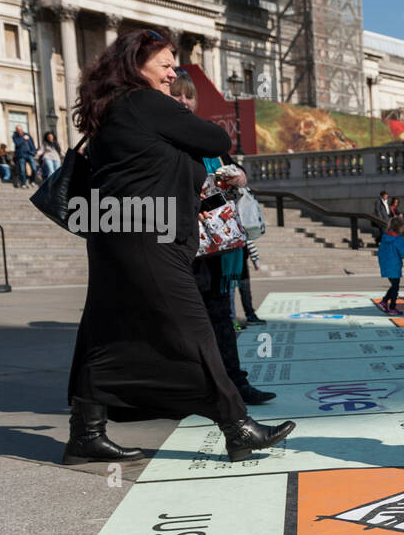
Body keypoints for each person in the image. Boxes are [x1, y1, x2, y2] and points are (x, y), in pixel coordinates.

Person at [64, 27, 294, 465]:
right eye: (166, 64)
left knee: (104, 328)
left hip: (114, 232)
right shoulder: (145, 101)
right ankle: (237, 426)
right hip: (149, 235)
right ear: (136, 64)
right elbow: (217, 140)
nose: (173, 73)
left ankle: (85, 434)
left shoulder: (115, 106)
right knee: (193, 328)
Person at [169, 71, 275, 404]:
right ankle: (196, 387)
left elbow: (233, 175)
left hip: (217, 245)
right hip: (180, 245)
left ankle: (234, 384)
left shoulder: (207, 139)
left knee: (221, 317)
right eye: (176, 94)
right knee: (188, 322)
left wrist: (239, 177)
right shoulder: (160, 142)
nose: (184, 101)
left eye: (189, 95)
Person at [377, 216, 404, 314]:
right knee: (395, 287)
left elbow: (380, 253)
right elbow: (403, 253)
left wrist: (383, 264)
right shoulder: (398, 239)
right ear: (399, 228)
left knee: (394, 286)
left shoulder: (384, 238)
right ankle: (391, 306)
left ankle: (385, 302)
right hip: (394, 266)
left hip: (386, 265)